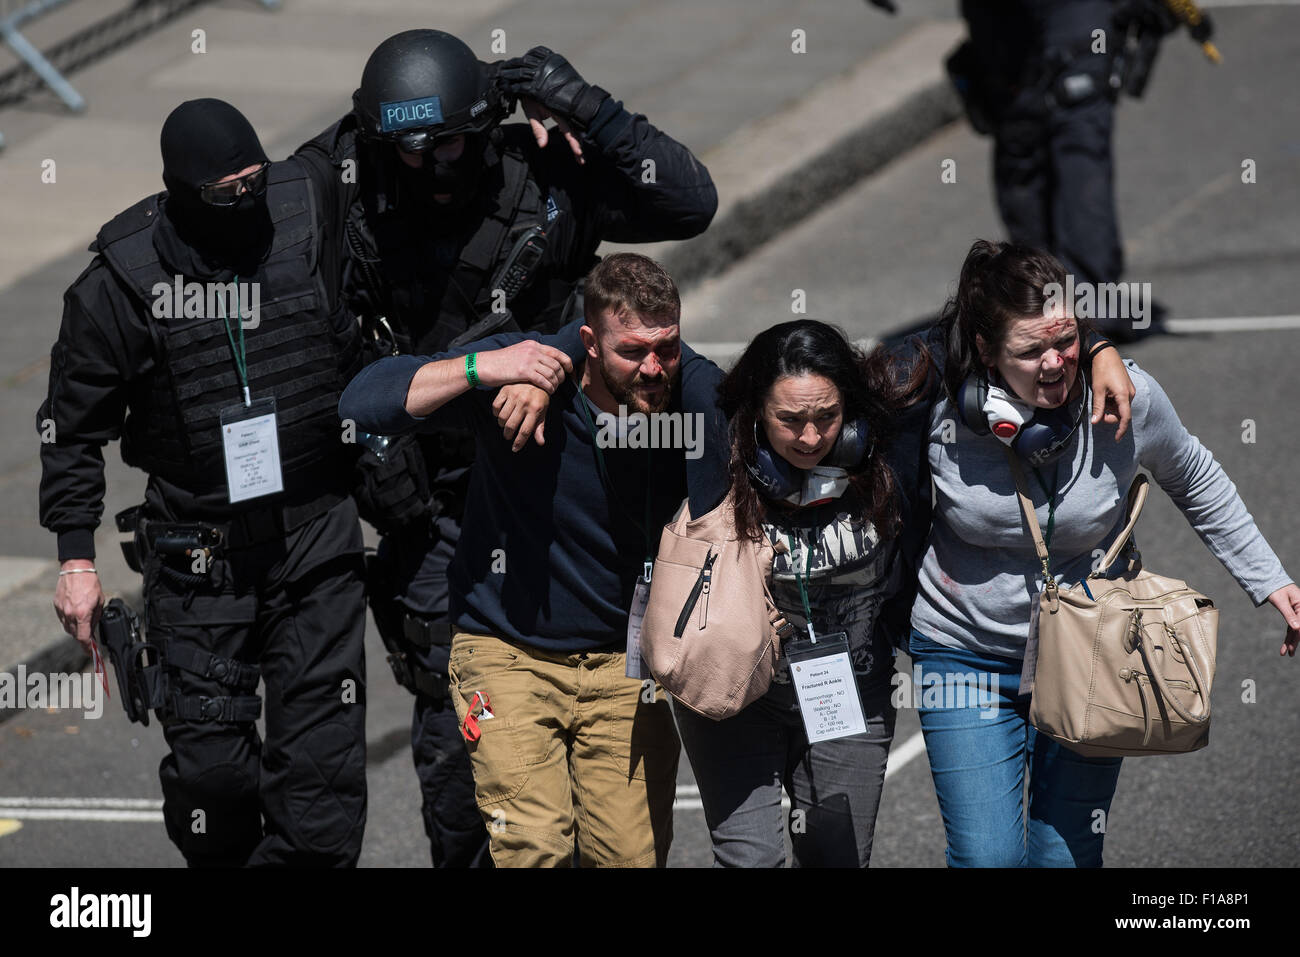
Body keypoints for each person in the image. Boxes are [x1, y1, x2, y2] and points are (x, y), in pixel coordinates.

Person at [296, 29, 717, 867]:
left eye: (449, 139)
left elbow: (687, 204)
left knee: (618, 824)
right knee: (466, 776)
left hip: (548, 461)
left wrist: (589, 110)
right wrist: (482, 368)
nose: (433, 164)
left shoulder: (540, 170)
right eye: (409, 148)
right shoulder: (351, 193)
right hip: (430, 488)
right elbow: (355, 379)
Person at [38, 98, 369, 867]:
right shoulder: (119, 284)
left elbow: (376, 125)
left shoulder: (303, 207)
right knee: (212, 782)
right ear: (183, 195)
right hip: (199, 558)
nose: (247, 200)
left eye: (256, 180)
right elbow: (70, 429)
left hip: (313, 539)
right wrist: (76, 560)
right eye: (226, 192)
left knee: (320, 790)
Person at [906, 239, 1300, 867]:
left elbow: (1194, 475)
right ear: (984, 351)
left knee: (1066, 857)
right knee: (988, 858)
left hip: (1096, 648)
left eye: (1066, 342)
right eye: (1029, 351)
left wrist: (1271, 580)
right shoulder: (932, 409)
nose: (1055, 364)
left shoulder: (1123, 396)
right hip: (964, 654)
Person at [339, 253, 729, 867]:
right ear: (590, 344)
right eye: (633, 350)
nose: (654, 368)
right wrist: (489, 365)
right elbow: (363, 404)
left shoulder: (689, 394)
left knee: (634, 859)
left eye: (668, 346)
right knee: (534, 848)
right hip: (506, 653)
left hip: (624, 668)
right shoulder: (519, 385)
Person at [671, 320, 913, 867]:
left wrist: (1099, 351)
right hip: (737, 693)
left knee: (835, 858)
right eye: (789, 420)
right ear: (757, 411)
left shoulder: (888, 453)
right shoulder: (718, 455)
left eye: (827, 417)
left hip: (849, 691)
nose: (810, 438)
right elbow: (650, 341)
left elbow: (970, 334)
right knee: (749, 860)